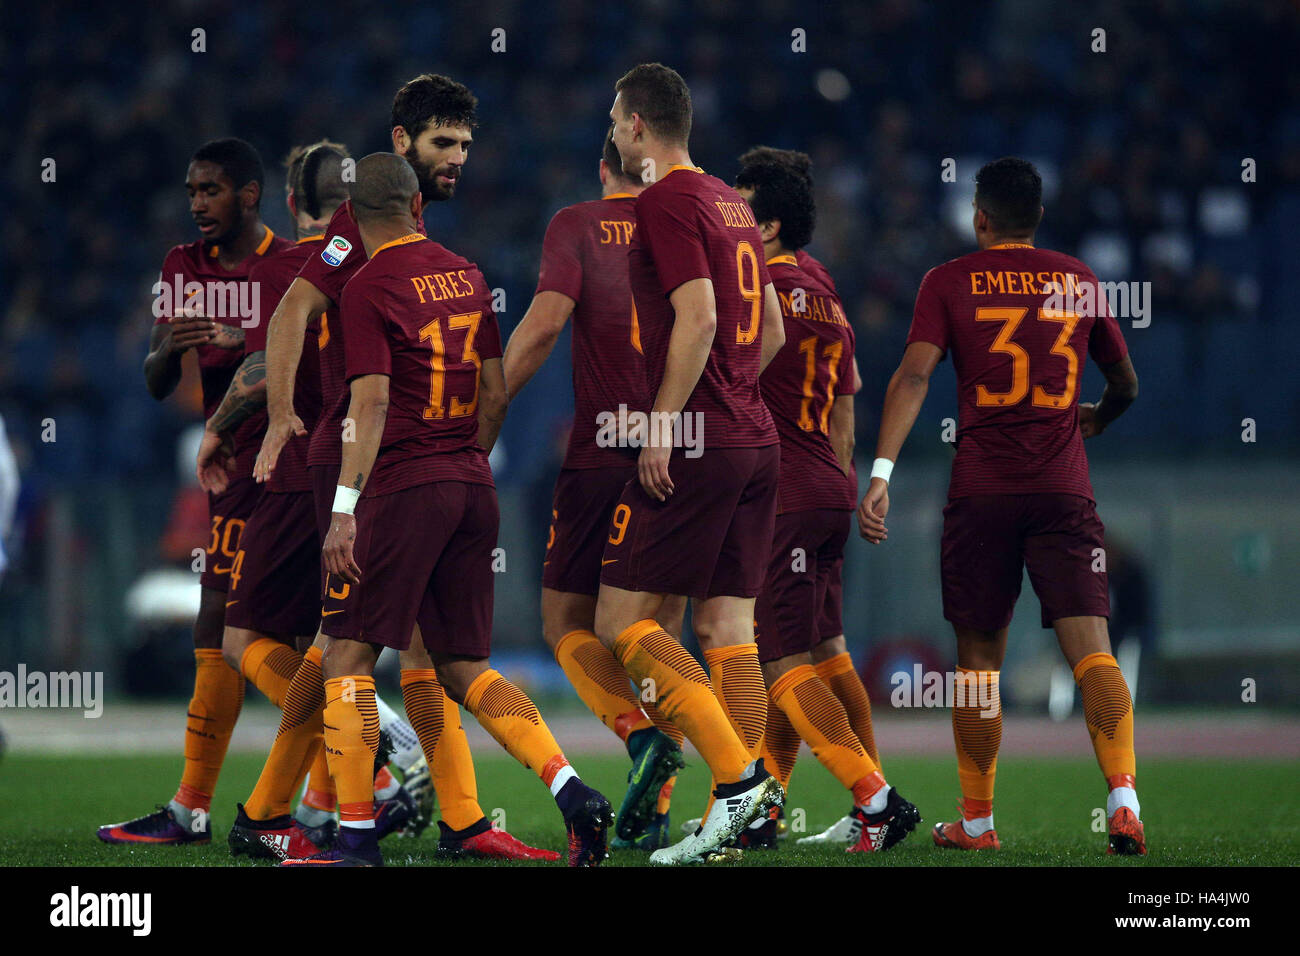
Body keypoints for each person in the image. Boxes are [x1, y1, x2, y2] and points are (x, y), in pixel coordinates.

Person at [283, 153, 610, 867]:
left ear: (359, 217)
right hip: (470, 482)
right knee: (464, 666)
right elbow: (495, 392)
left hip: (402, 487)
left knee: (346, 655)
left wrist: (344, 509)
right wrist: (465, 462)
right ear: (414, 205)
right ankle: (574, 790)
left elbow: (368, 403)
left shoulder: (367, 285)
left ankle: (357, 840)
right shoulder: (467, 274)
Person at [860, 157, 1144, 855]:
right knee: (1094, 655)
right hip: (1062, 490)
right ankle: (1124, 799)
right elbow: (1126, 383)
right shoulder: (1076, 277)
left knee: (979, 663)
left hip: (982, 494)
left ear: (979, 218)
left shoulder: (947, 281)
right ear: (1037, 218)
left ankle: (978, 823)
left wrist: (881, 474)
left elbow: (914, 375)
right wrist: (1099, 418)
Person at [594, 63, 786, 865]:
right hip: (755, 436)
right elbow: (770, 328)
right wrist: (733, 398)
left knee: (624, 623)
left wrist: (664, 423)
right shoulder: (730, 202)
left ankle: (739, 784)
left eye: (613, 115)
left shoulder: (665, 199)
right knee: (725, 626)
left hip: (702, 438)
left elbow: (700, 313)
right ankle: (743, 812)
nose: (610, 127)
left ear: (637, 125)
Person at [100, 139, 292, 845]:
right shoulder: (183, 266)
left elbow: (298, 358)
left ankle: (372, 762)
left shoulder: (288, 264)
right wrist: (165, 349)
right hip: (229, 474)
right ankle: (200, 807)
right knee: (229, 633)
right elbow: (155, 383)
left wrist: (243, 339)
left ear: (248, 194)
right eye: (191, 192)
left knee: (240, 632)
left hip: (288, 467)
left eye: (210, 190)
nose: (197, 204)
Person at [502, 127, 685, 851]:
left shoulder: (576, 223)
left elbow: (544, 326)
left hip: (604, 450)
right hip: (685, 449)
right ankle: (664, 807)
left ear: (601, 166)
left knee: (564, 622)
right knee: (659, 629)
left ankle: (639, 738)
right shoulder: (691, 224)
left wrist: (490, 410)